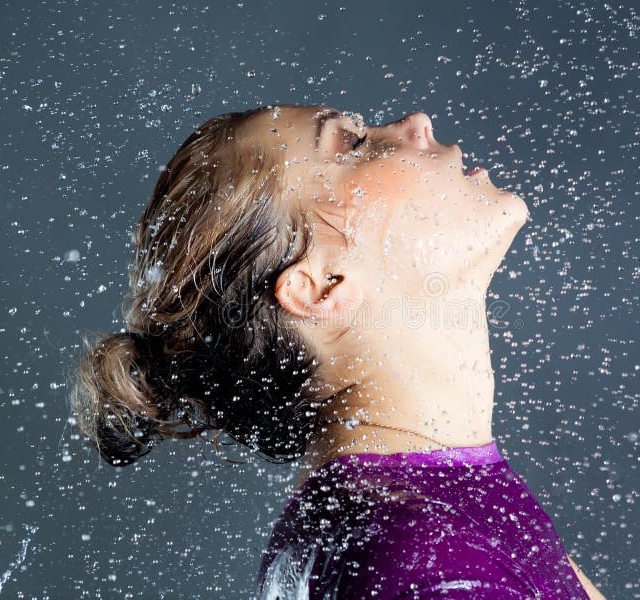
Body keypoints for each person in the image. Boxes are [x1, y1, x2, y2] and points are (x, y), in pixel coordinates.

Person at [69, 104, 606, 599]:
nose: (416, 122)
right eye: (350, 143)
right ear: (321, 284)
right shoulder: (427, 556)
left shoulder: (424, 513)